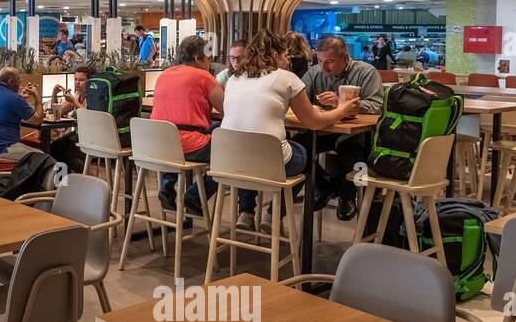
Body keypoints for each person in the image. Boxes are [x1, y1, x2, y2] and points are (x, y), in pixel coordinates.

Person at [220, 30, 359, 231]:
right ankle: (274, 215)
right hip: (271, 162)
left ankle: (246, 212)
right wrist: (342, 110)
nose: (288, 60)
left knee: (250, 151)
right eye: (286, 55)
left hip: (229, 161)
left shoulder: (234, 78)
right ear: (275, 55)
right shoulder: (287, 77)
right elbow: (313, 122)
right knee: (303, 153)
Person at [295, 35, 384, 221]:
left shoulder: (366, 72)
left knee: (351, 147)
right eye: (319, 61)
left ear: (345, 58)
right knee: (297, 148)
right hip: (322, 129)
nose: (323, 67)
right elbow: (298, 99)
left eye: (330, 62)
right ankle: (324, 184)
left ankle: (347, 196)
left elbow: (377, 106)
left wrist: (342, 103)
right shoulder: (314, 73)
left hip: (356, 132)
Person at [150, 35, 225, 215]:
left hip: (157, 144)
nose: (210, 62)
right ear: (199, 58)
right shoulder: (204, 77)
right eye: (208, 58)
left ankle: (167, 187)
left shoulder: (163, 75)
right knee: (232, 153)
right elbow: (227, 109)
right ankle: (194, 196)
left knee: (181, 135)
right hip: (189, 145)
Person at [0, 67, 41, 161]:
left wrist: (20, 98)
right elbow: (37, 120)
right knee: (42, 158)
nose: (20, 83)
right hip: (2, 151)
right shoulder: (15, 99)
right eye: (19, 80)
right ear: (10, 82)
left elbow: (4, 111)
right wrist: (36, 96)